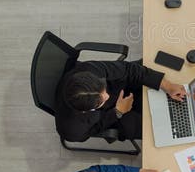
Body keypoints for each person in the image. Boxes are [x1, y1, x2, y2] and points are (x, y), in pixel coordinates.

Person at [54, 57, 186, 142]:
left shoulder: (89, 70)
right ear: (86, 111)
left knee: (161, 77)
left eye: (103, 89)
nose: (107, 96)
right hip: (113, 115)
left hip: (121, 85)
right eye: (101, 100)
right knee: (157, 130)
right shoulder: (71, 130)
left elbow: (128, 69)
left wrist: (167, 85)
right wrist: (118, 112)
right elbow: (97, 128)